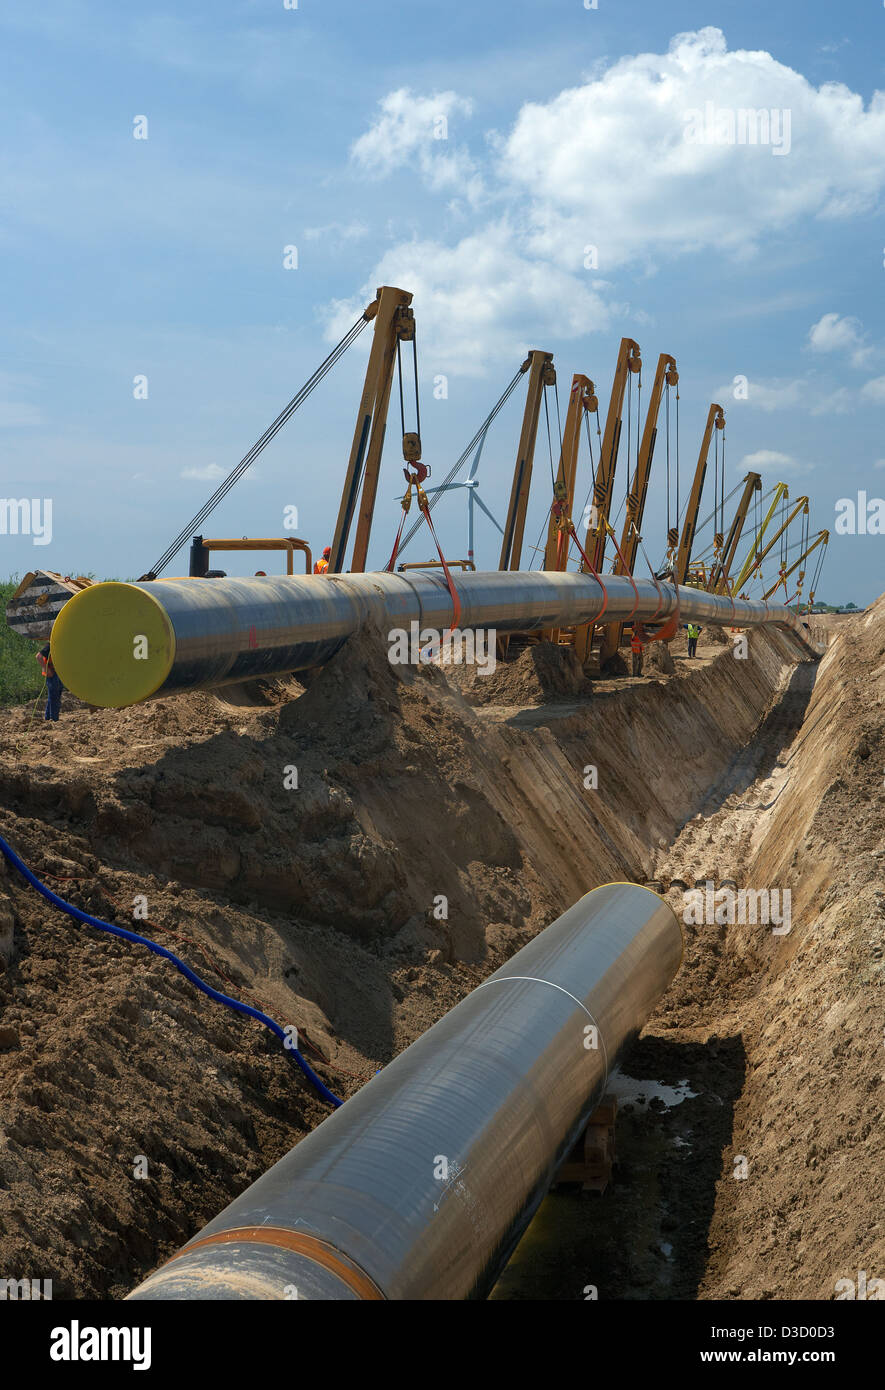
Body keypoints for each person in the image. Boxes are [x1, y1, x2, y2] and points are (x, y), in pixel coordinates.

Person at [36, 642, 64, 722]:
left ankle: (49, 718)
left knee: (54, 696)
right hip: (52, 673)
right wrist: (46, 669)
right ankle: (54, 719)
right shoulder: (51, 645)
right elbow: (38, 657)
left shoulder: (62, 645)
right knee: (54, 697)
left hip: (58, 673)